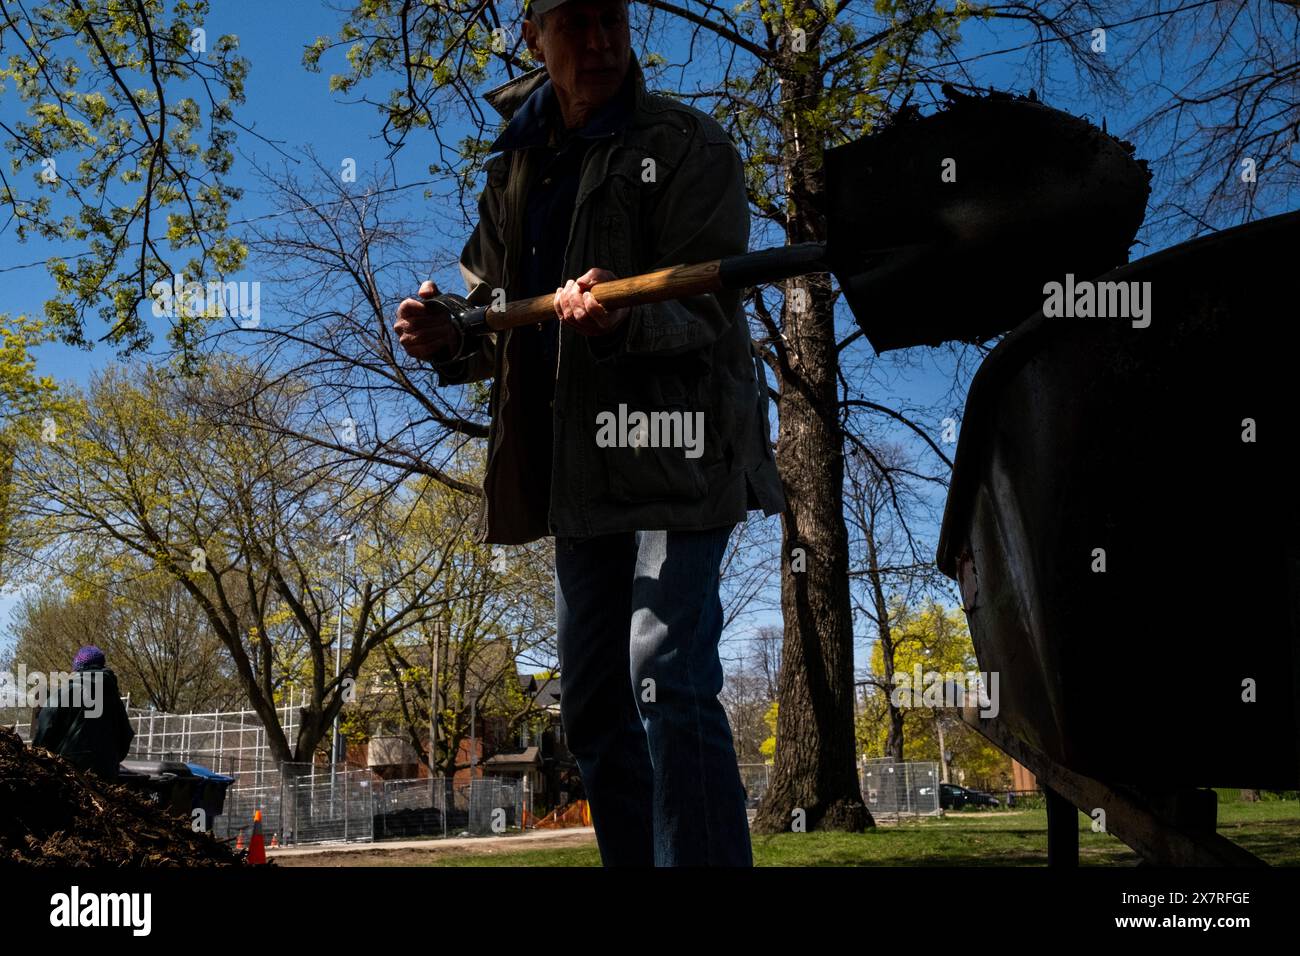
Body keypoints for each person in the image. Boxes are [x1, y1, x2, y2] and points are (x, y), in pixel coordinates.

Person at [393, 0, 784, 866]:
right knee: (597, 705)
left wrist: (621, 316)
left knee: (666, 674)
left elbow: (710, 304)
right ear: (534, 34)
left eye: (613, 18)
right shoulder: (517, 168)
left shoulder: (690, 144)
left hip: (682, 452)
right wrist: (448, 329)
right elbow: (491, 306)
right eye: (576, 21)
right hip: (584, 474)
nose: (601, 41)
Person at [32, 646, 135, 780]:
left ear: (77, 668)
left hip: (69, 773)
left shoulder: (67, 691)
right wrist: (109, 761)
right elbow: (126, 736)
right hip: (107, 775)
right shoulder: (114, 698)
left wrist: (36, 756)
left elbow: (46, 726)